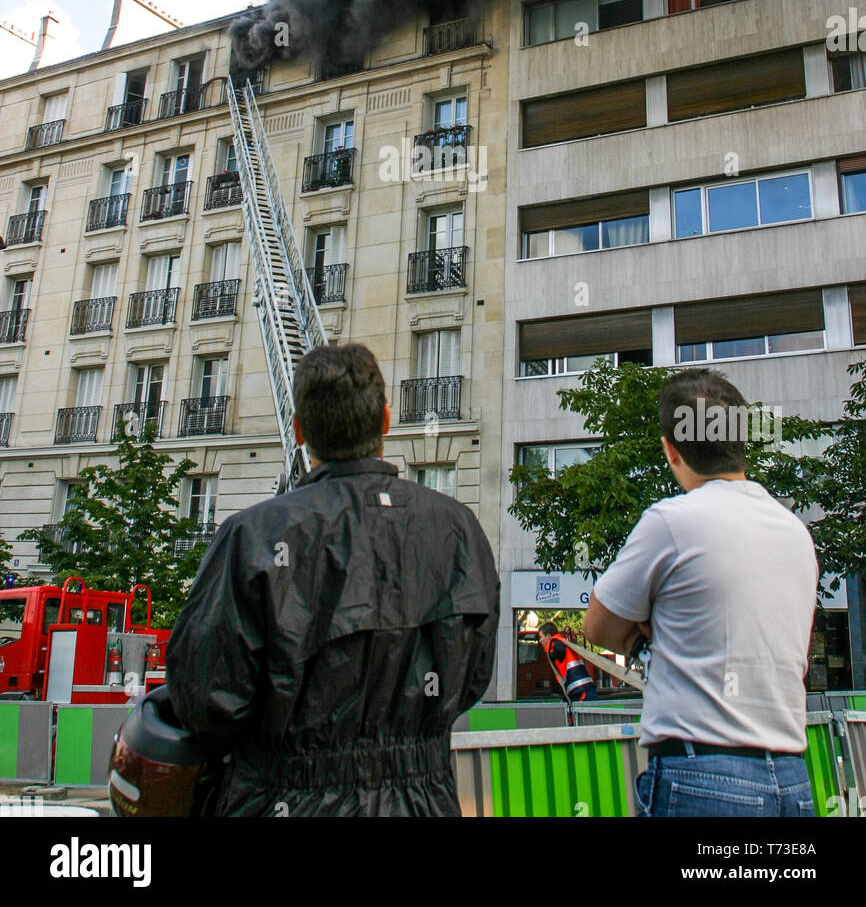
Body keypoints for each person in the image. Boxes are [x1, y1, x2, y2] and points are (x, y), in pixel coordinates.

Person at [166, 342, 500, 817]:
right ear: (385, 420)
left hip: (282, 799)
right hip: (423, 800)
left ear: (299, 429)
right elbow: (473, 673)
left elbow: (207, 697)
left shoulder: (253, 536)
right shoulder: (457, 530)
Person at [583, 367, 818, 818]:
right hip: (793, 778)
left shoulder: (671, 522)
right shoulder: (795, 532)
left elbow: (597, 625)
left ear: (671, 451)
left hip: (702, 776)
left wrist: (644, 637)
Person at [538, 622, 598, 712]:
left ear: (549, 636)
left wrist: (551, 653)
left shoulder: (556, 643)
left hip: (582, 692)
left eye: (541, 637)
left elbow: (560, 649)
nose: (540, 641)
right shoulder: (562, 642)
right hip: (581, 690)